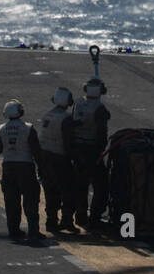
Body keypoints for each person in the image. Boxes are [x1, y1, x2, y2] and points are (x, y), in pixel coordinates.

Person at [0, 100, 43, 244]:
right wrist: (42, 168)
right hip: (25, 166)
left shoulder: (1, 128)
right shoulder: (28, 128)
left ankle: (14, 230)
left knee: (11, 201)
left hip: (8, 167)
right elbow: (36, 151)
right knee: (30, 200)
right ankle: (33, 231)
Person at [70, 77, 111, 229]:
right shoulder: (99, 109)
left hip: (77, 147)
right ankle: (95, 216)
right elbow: (101, 132)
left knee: (81, 184)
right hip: (92, 149)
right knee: (101, 185)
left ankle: (80, 215)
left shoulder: (78, 103)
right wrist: (101, 150)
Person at [36, 87, 77, 233]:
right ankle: (67, 220)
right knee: (68, 190)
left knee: (50, 191)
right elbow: (68, 143)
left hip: (45, 157)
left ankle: (51, 221)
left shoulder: (47, 114)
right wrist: (74, 158)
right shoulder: (66, 119)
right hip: (60, 158)